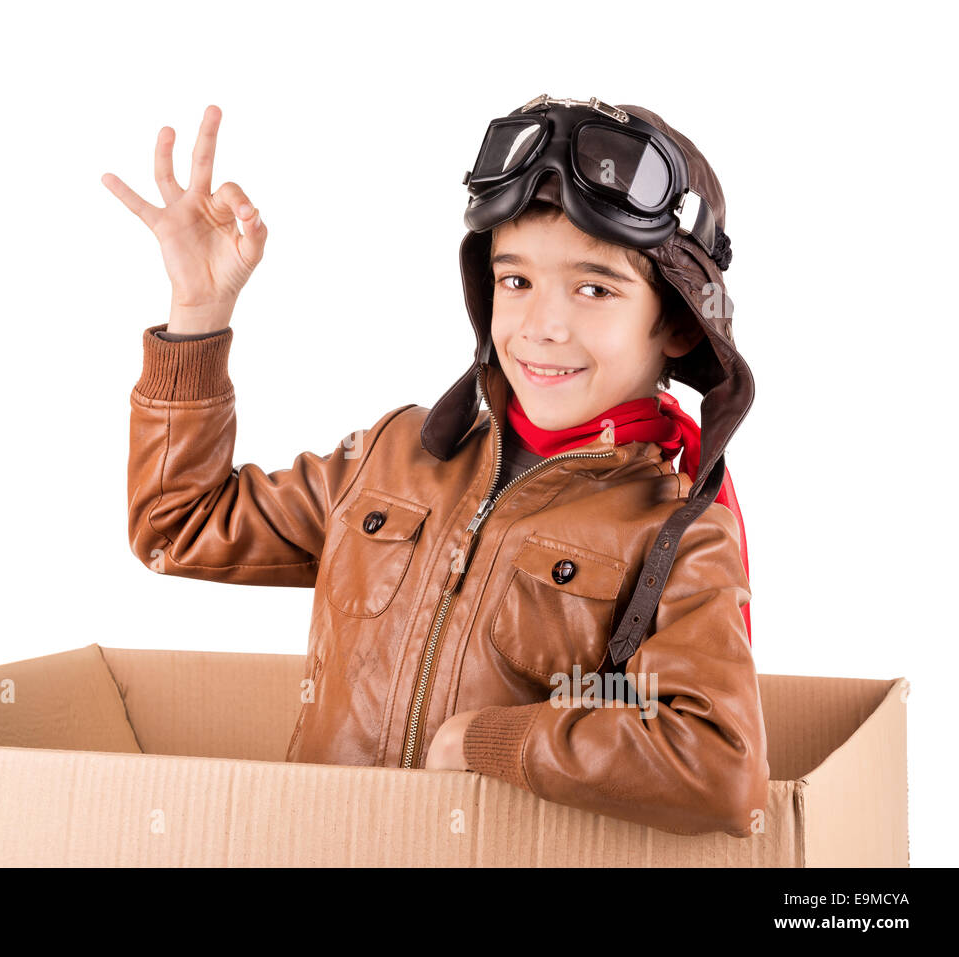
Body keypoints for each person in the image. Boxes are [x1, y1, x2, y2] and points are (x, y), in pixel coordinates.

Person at [103, 96, 767, 838]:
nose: (543, 326)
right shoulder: (390, 457)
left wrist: (494, 742)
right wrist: (197, 312)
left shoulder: (678, 534)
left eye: (595, 288)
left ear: (676, 319)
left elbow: (720, 768)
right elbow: (175, 525)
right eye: (516, 280)